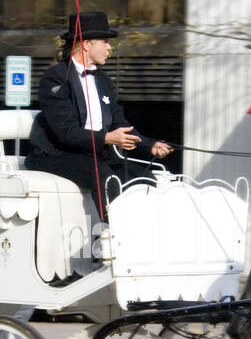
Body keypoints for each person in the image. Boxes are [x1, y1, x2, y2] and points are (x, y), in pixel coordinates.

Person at [27, 11, 172, 217]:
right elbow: (66, 132)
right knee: (103, 176)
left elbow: (119, 124)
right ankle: (110, 237)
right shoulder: (56, 78)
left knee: (144, 177)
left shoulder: (103, 80)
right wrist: (107, 138)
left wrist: (150, 145)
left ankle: (142, 233)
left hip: (91, 155)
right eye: (105, 41)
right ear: (86, 44)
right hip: (55, 155)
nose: (109, 47)